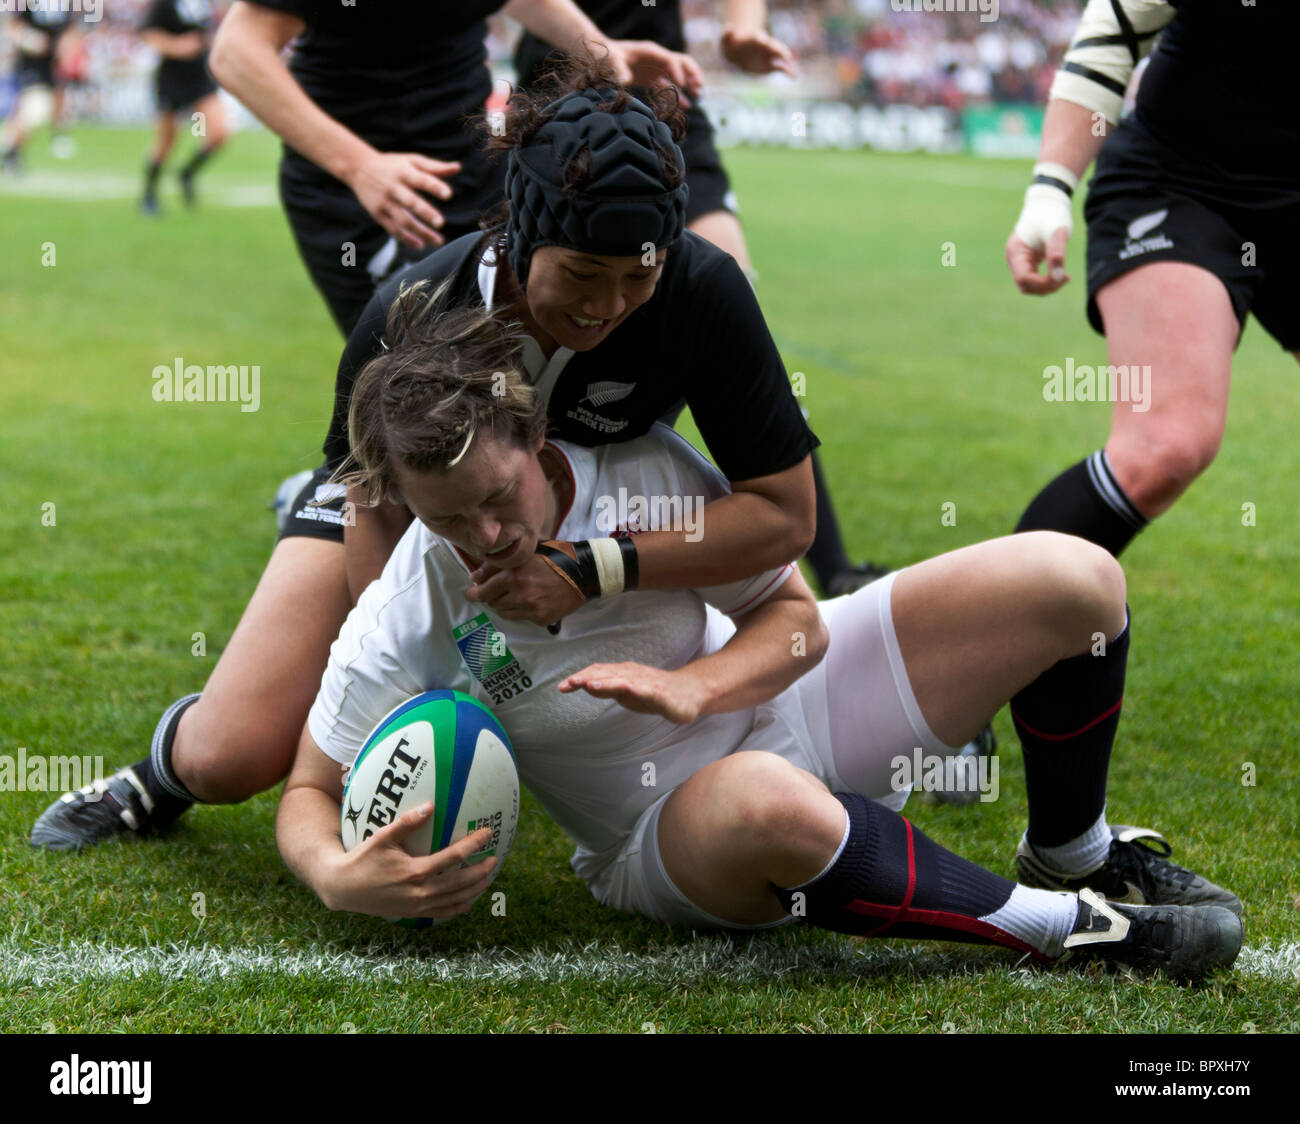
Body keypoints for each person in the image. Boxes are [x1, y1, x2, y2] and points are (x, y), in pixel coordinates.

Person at [275, 294, 1242, 982]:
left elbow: (794, 621)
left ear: (533, 440)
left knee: (1077, 577)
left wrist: (700, 688)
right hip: (667, 833)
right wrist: (336, 874)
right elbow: (310, 791)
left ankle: (1070, 852)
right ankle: (1066, 928)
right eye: (447, 521)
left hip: (792, 704)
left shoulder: (644, 469)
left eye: (497, 500)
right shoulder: (415, 596)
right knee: (769, 804)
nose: (483, 538)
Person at [30, 65, 820, 852]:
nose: (606, 305)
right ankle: (156, 776)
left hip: (594, 510)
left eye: (636, 278)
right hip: (410, 512)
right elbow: (376, 518)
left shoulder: (701, 292)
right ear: (525, 237)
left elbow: (785, 515)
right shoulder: (411, 309)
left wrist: (591, 567)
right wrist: (442, 668)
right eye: (581, 274)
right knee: (230, 757)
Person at [516, 1, 887, 603]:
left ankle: (825, 562)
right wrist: (596, 46)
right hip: (559, 120)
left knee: (722, 302)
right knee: (498, 338)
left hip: (666, 113)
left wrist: (746, 26)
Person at [209, 0, 702, 335]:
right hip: (361, 191)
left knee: (513, 361)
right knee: (421, 385)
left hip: (476, 170)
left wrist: (600, 47)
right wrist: (358, 166)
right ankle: (338, 483)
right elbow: (235, 52)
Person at [1005, 0, 1299, 559]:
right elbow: (1111, 37)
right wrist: (1050, 189)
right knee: (1164, 448)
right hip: (1181, 182)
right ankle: (990, 632)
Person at [139, 0, 230, 215]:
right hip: (171, 78)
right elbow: (148, 33)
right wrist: (177, 46)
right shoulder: (164, 4)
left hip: (200, 77)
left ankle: (187, 172)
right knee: (167, 141)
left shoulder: (205, 3)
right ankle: (149, 194)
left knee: (219, 133)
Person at [1, 4, 75, 172]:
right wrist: (30, 40)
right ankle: (11, 151)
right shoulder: (30, 5)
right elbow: (13, 27)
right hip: (31, 65)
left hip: (50, 66)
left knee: (33, 113)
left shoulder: (64, 7)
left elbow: (67, 33)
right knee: (33, 110)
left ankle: (11, 151)